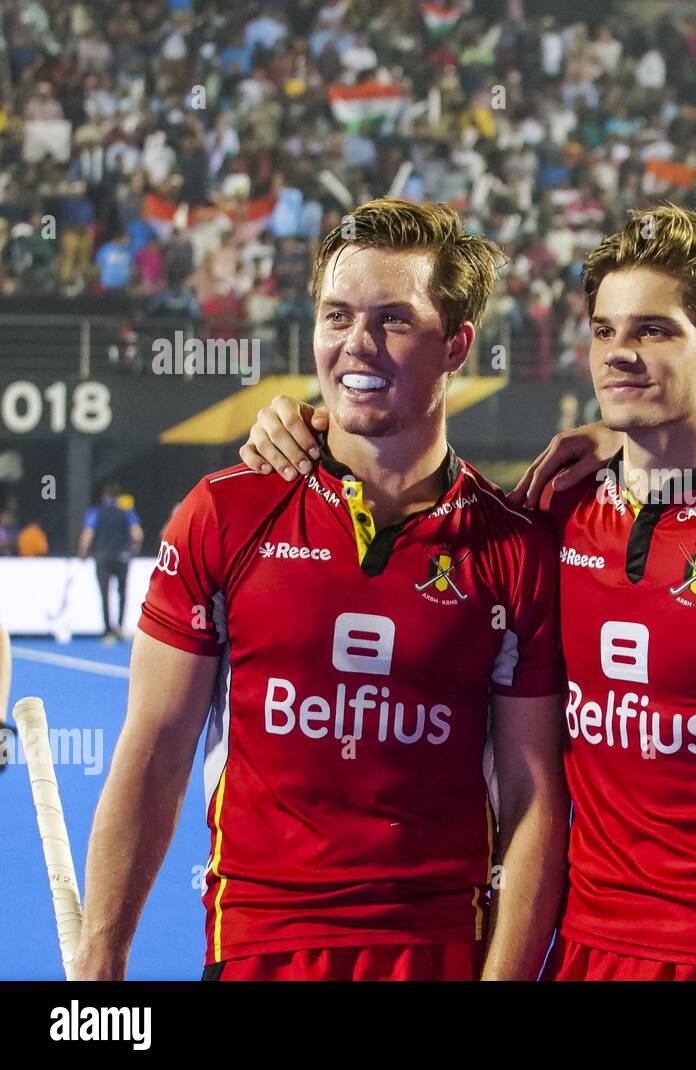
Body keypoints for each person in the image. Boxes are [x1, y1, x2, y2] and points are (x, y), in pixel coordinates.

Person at [240, 204, 696, 980]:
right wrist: (310, 423)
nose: (619, 353)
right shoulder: (553, 511)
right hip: (581, 952)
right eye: (605, 330)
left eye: (653, 331)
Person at [73, 198, 569, 982]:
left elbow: (533, 798)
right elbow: (155, 751)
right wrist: (99, 962)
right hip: (257, 953)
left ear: (458, 346)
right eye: (336, 316)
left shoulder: (514, 546)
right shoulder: (224, 512)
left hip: (439, 952)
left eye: (394, 321)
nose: (356, 346)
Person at [78, 482, 143, 643]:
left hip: (102, 555)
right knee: (122, 591)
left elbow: (88, 533)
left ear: (104, 497)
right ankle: (120, 626)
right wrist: (133, 550)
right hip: (122, 555)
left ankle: (108, 630)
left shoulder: (96, 512)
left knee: (105, 593)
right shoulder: (126, 512)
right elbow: (137, 534)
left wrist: (83, 552)